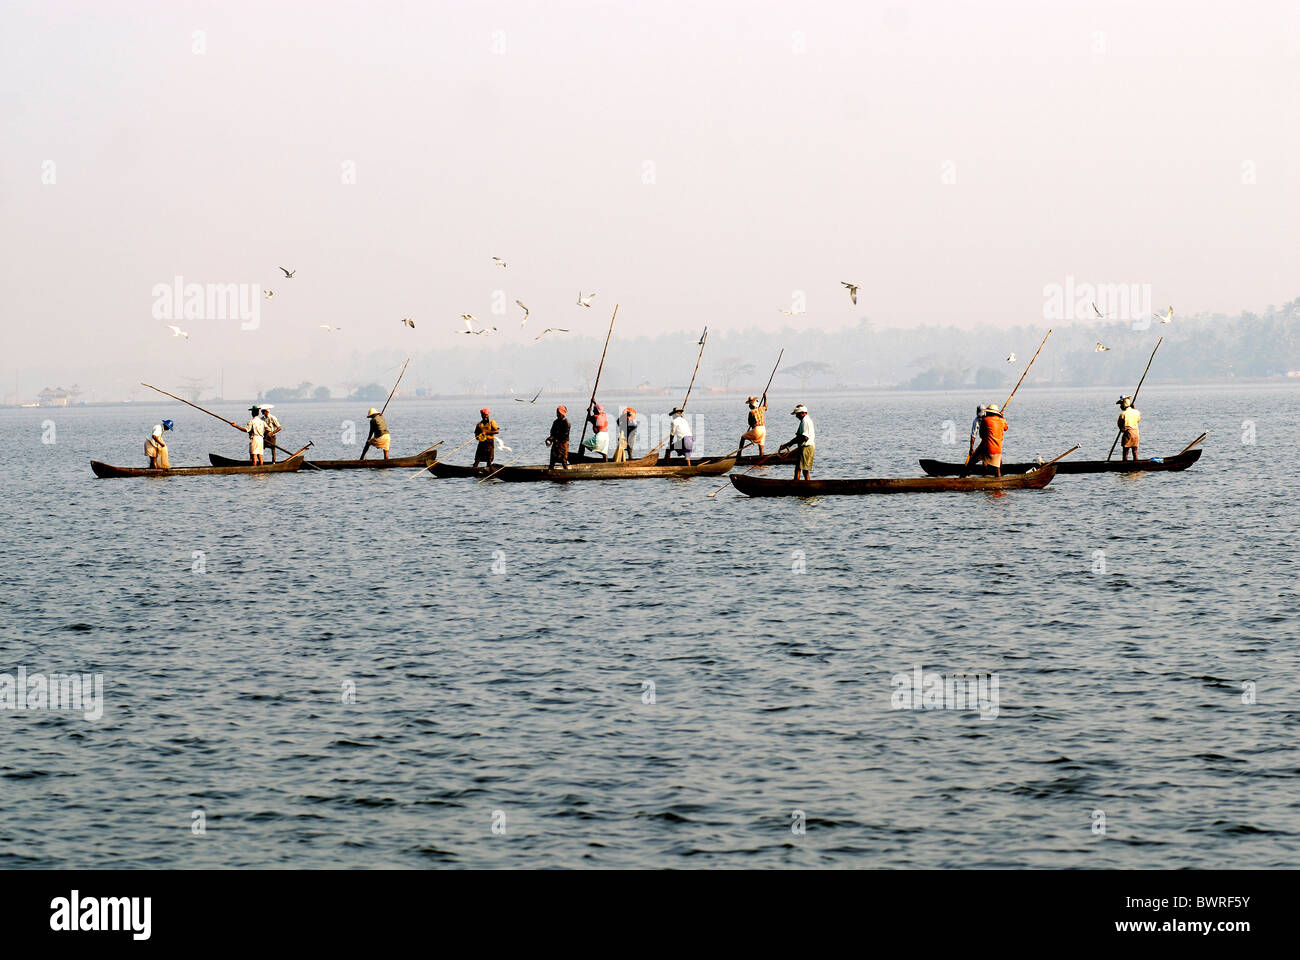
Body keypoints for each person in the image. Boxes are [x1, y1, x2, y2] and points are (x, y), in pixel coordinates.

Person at [963, 403, 1008, 477]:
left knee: (972, 461)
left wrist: (971, 448)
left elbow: (981, 434)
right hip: (998, 448)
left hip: (987, 446)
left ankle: (964, 476)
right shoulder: (1002, 420)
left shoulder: (985, 420)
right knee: (997, 468)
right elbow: (1006, 428)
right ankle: (998, 479)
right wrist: (1002, 417)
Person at [778, 404, 815, 480]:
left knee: (805, 470)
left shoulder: (806, 421)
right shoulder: (804, 421)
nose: (796, 416)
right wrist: (787, 445)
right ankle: (795, 482)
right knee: (798, 468)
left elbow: (805, 437)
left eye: (797, 414)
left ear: (802, 413)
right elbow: (799, 437)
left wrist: (788, 444)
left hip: (806, 447)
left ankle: (807, 485)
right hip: (803, 448)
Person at [545, 405, 571, 469]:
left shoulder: (566, 423)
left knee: (564, 460)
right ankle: (550, 471)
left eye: (559, 413)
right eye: (557, 413)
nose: (557, 414)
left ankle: (566, 473)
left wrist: (554, 438)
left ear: (563, 413)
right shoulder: (555, 422)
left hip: (563, 445)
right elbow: (552, 432)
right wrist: (550, 438)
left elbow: (564, 435)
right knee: (552, 460)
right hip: (556, 444)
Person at [1116, 395, 1141, 460]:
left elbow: (1120, 425)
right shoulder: (1136, 412)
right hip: (1136, 433)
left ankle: (1125, 466)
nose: (1120, 406)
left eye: (1121, 404)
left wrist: (1122, 429)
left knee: (1125, 452)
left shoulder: (1123, 414)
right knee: (1135, 451)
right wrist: (1134, 408)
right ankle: (1136, 464)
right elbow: (1138, 420)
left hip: (1128, 433)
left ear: (1123, 405)